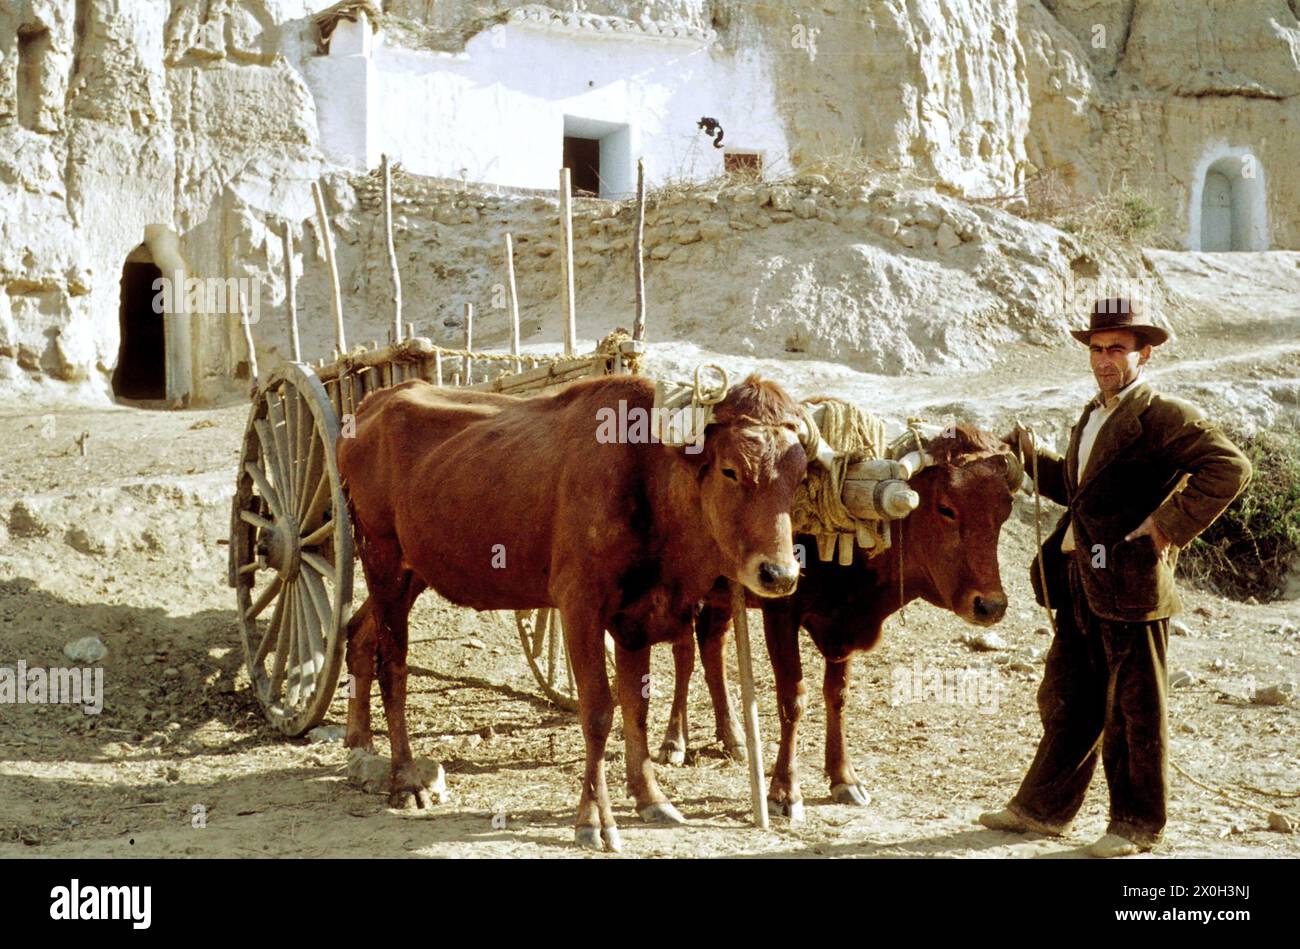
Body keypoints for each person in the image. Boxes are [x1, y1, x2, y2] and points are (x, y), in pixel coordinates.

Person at [980, 297, 1252, 857]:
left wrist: (1166, 526)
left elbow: (1230, 467)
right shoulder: (1094, 413)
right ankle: (1041, 811)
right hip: (1082, 578)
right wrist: (1035, 459)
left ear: (1144, 353)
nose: (1105, 360)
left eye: (1118, 350)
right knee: (1066, 698)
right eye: (1098, 349)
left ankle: (1135, 825)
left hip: (1133, 585)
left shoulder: (1161, 415)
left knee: (1135, 710)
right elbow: (1080, 493)